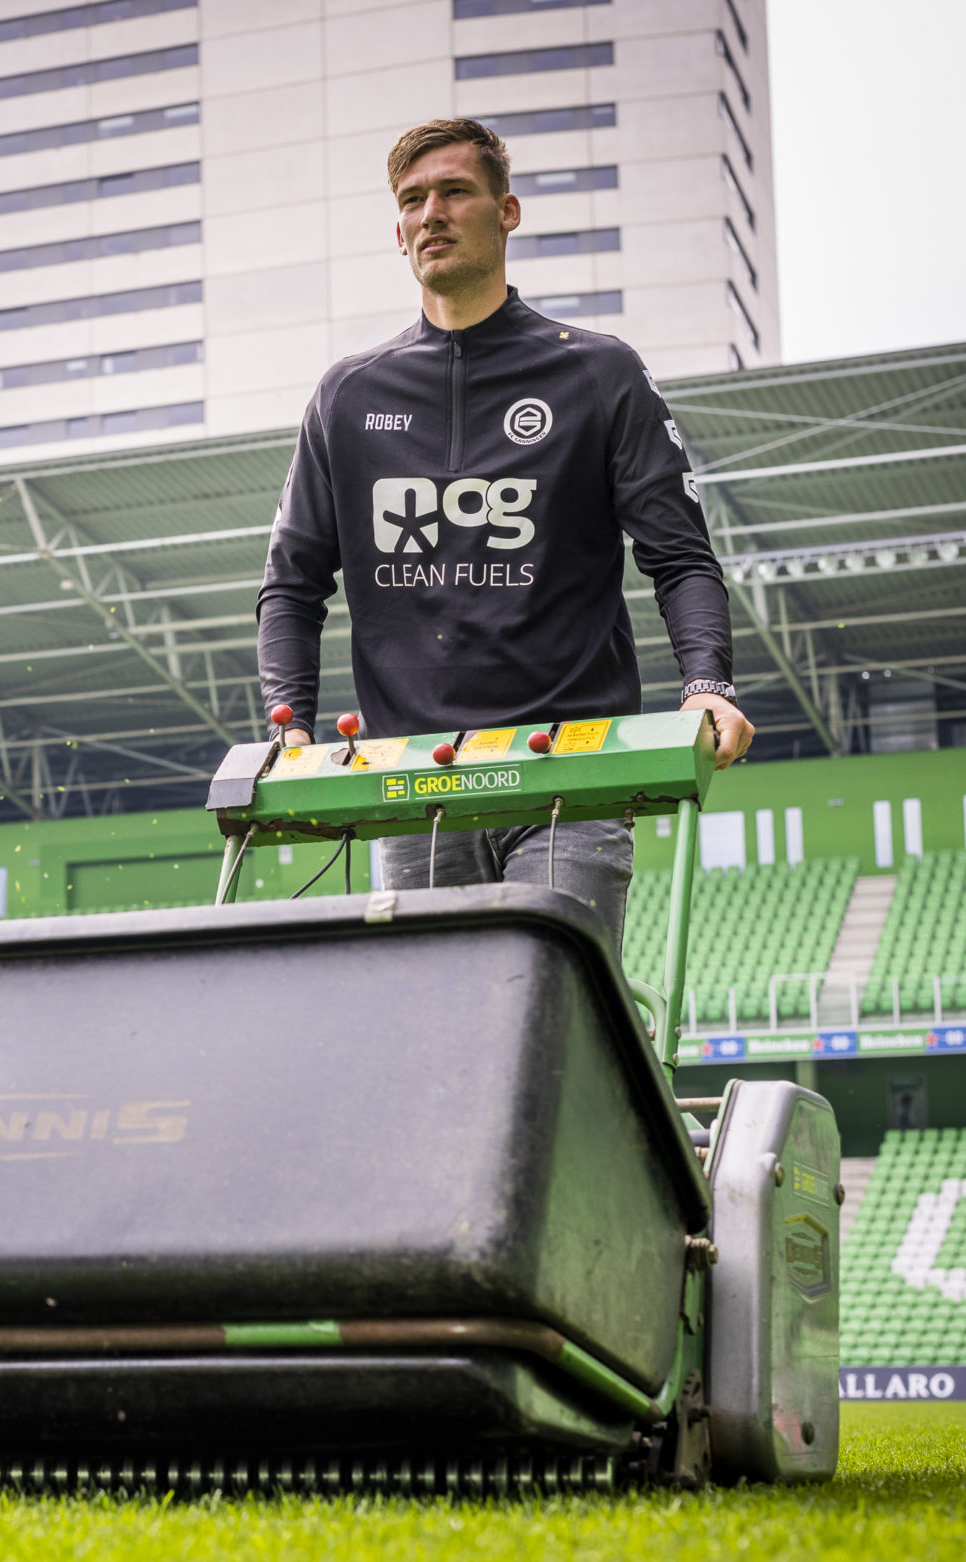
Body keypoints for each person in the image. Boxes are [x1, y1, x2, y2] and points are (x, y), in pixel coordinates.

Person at [255, 116, 754, 954]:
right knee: (430, 1040)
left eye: (455, 191)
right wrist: (290, 725)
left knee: (544, 1014)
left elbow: (680, 556)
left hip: (574, 776)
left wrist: (708, 681)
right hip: (410, 792)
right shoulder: (346, 396)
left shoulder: (598, 374)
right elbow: (291, 583)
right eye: (412, 200)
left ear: (508, 211)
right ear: (398, 229)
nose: (431, 214)